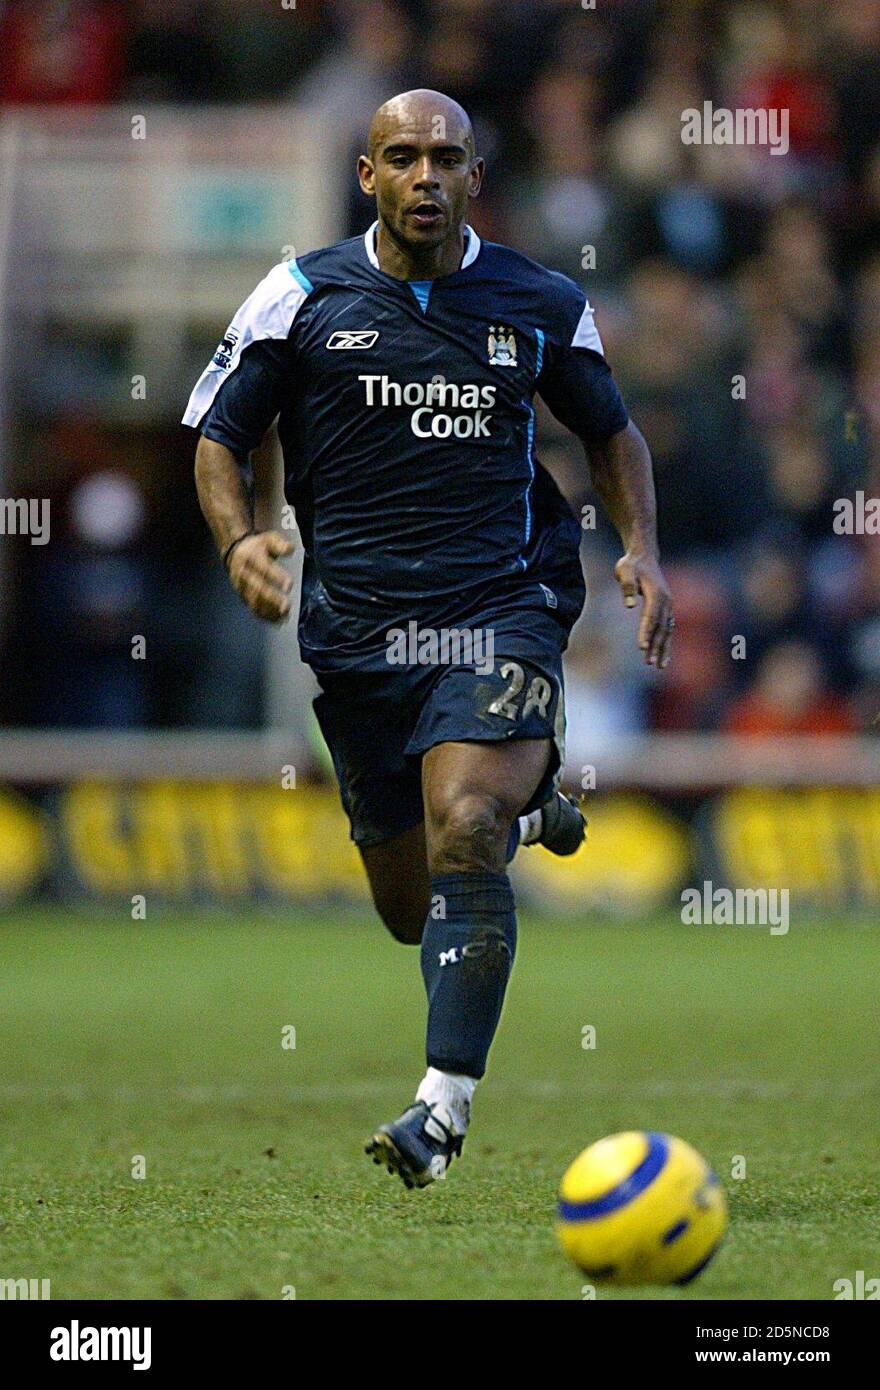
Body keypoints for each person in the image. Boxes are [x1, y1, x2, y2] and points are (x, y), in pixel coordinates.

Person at [185, 89, 673, 1189]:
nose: (423, 177)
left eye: (445, 158)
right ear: (366, 175)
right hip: (358, 636)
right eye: (400, 157)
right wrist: (238, 541)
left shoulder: (538, 299)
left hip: (498, 606)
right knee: (414, 910)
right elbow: (218, 434)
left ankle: (439, 1114)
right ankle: (527, 802)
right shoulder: (301, 293)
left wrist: (640, 547)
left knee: (462, 823)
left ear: (473, 177)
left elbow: (611, 430)